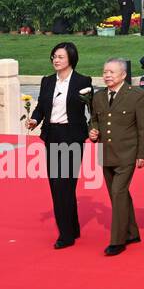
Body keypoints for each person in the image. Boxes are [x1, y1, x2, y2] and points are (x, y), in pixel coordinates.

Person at [27, 43, 91, 249]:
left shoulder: (83, 81)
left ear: (71, 59)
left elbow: (92, 108)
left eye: (61, 57)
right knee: (57, 184)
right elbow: (40, 107)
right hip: (52, 135)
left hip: (72, 137)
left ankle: (66, 235)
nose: (56, 60)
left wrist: (94, 129)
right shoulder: (47, 81)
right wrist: (35, 120)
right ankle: (72, 226)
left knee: (65, 184)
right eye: (54, 56)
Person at [87, 58, 144, 255]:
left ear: (123, 75)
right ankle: (132, 233)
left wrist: (143, 154)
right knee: (118, 194)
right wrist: (93, 131)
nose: (107, 75)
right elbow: (94, 120)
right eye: (105, 72)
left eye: (111, 72)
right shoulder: (98, 96)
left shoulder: (137, 95)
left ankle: (118, 240)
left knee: (117, 192)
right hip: (105, 152)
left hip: (127, 153)